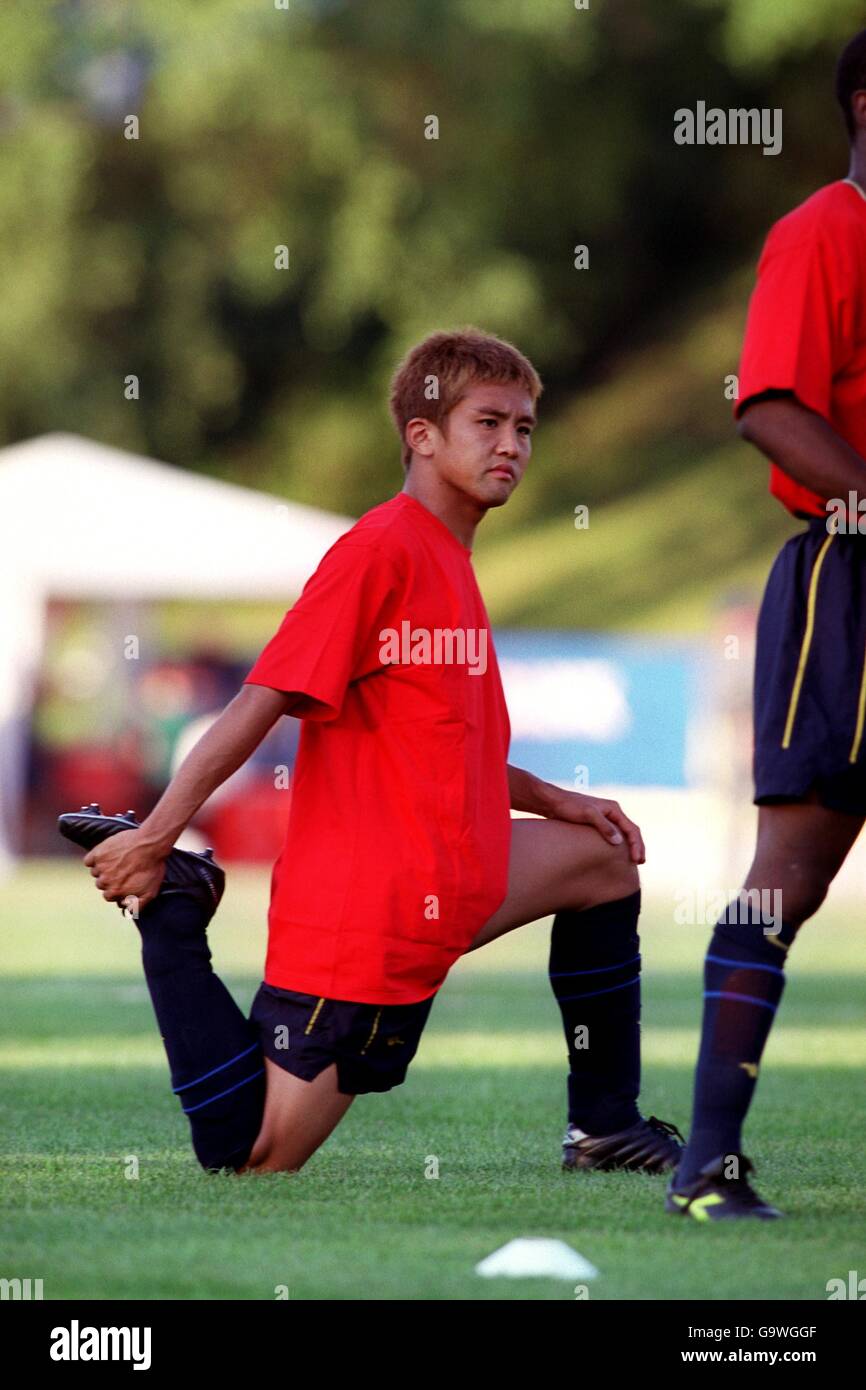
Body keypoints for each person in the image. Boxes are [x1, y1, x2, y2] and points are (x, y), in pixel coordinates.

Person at [73, 328, 682, 1176]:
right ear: (421, 436)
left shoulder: (452, 557)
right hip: (372, 910)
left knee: (603, 860)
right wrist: (156, 834)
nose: (512, 443)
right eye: (489, 422)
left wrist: (560, 802)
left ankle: (605, 1128)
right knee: (252, 1157)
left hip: (456, 875)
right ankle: (174, 914)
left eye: (526, 426)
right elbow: (261, 700)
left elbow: (439, 745)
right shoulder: (378, 550)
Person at [667, 32, 866, 1221]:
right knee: (782, 886)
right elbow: (770, 405)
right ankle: (704, 1160)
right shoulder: (822, 230)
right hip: (847, 585)